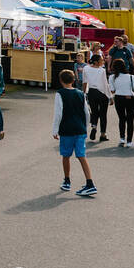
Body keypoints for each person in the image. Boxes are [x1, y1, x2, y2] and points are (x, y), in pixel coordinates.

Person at [53, 68, 97, 196]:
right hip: (80, 129)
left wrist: (55, 130)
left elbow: (58, 113)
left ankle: (67, 181)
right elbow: (86, 112)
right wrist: (85, 126)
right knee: (81, 156)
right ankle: (90, 183)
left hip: (66, 129)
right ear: (73, 80)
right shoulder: (80, 93)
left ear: (61, 80)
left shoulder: (60, 94)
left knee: (66, 155)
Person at [109, 57, 134, 147]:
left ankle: (122, 138)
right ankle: (129, 141)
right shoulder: (131, 77)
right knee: (130, 120)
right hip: (129, 98)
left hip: (118, 98)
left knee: (121, 119)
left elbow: (112, 90)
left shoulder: (112, 77)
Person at [83, 52, 110, 142]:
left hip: (91, 92)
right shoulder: (102, 70)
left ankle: (94, 127)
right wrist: (110, 96)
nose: (103, 61)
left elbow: (84, 82)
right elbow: (105, 84)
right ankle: (103, 134)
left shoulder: (86, 68)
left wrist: (84, 93)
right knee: (103, 114)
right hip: (102, 93)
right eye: (101, 60)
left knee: (94, 112)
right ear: (96, 62)